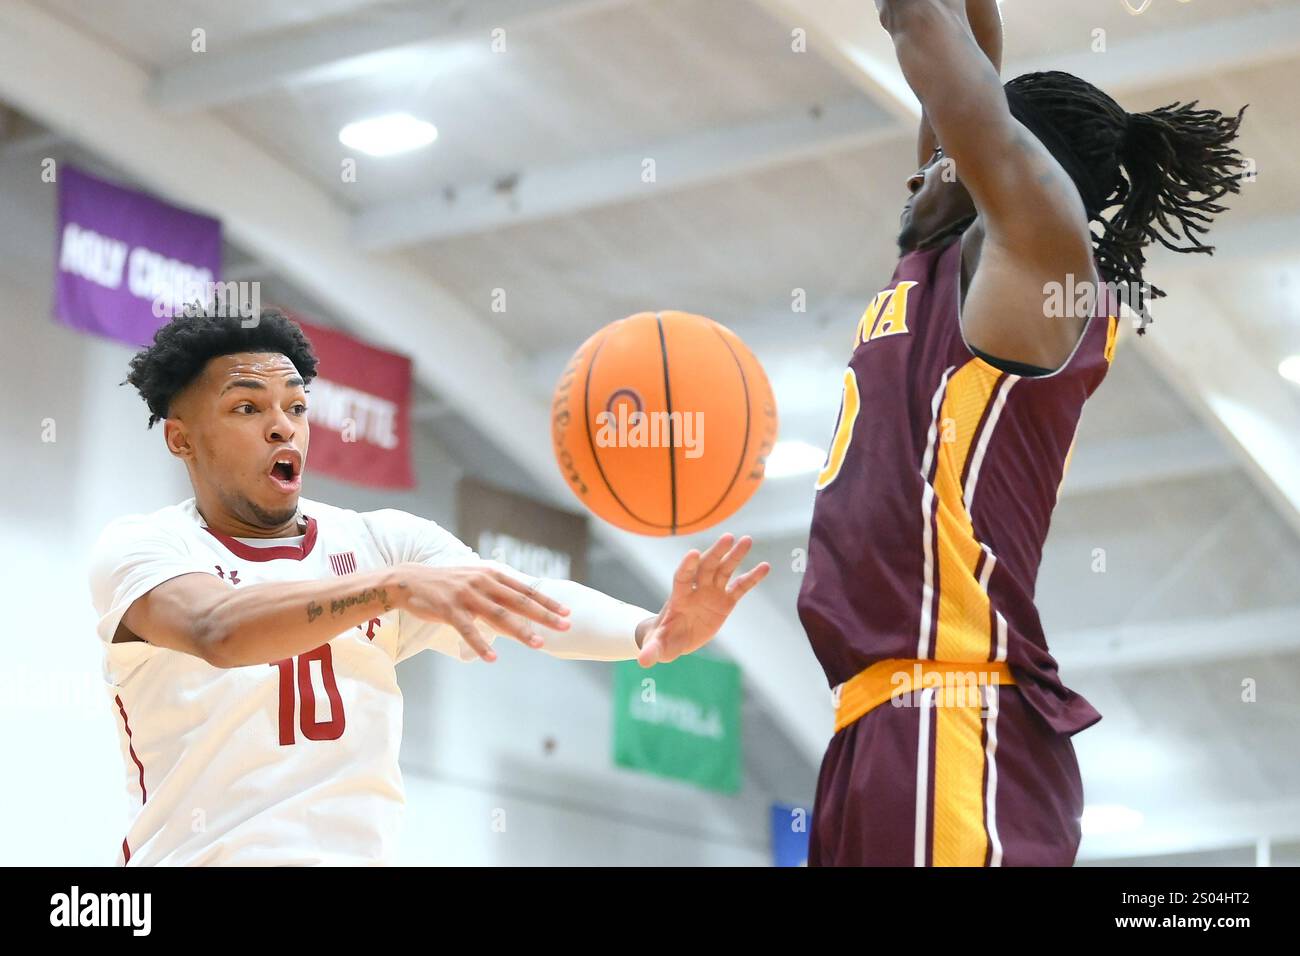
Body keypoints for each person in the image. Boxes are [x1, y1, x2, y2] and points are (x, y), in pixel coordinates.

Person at [797, 0, 1244, 865]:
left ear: (987, 165)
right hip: (873, 721)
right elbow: (967, 46)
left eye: (944, 159)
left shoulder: (1033, 259)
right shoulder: (949, 250)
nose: (916, 172)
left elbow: (921, 27)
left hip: (955, 718)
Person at [90, 308, 770, 866]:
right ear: (182, 439)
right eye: (247, 407)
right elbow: (219, 631)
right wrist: (385, 591)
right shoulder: (146, 546)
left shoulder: (379, 542)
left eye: (296, 406)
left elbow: (521, 597)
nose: (282, 424)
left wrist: (645, 631)